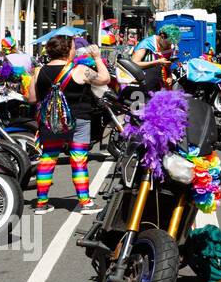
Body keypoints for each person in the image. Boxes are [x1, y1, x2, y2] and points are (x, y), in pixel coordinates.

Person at [27, 36, 111, 215]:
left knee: (48, 159)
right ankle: (85, 202)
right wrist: (97, 57)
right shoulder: (79, 70)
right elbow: (105, 79)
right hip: (79, 119)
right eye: (73, 47)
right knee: (79, 159)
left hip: (50, 121)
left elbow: (32, 99)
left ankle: (41, 203)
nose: (75, 50)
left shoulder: (38, 71)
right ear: (68, 51)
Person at [131, 24, 180, 89]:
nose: (170, 45)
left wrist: (169, 76)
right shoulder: (146, 44)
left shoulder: (169, 47)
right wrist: (157, 62)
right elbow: (134, 64)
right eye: (168, 43)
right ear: (162, 36)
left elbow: (167, 66)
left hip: (160, 83)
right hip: (144, 82)